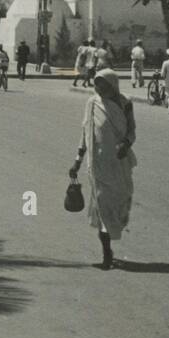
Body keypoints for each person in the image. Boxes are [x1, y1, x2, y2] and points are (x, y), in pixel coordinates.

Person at [69, 68, 137, 271]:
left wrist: (125, 144)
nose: (98, 88)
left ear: (112, 85)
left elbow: (132, 131)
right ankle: (106, 253)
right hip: (98, 165)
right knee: (102, 210)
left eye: (102, 84)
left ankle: (110, 242)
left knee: (121, 203)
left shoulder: (125, 103)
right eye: (96, 84)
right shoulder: (92, 103)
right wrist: (77, 161)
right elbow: (85, 132)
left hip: (119, 164)